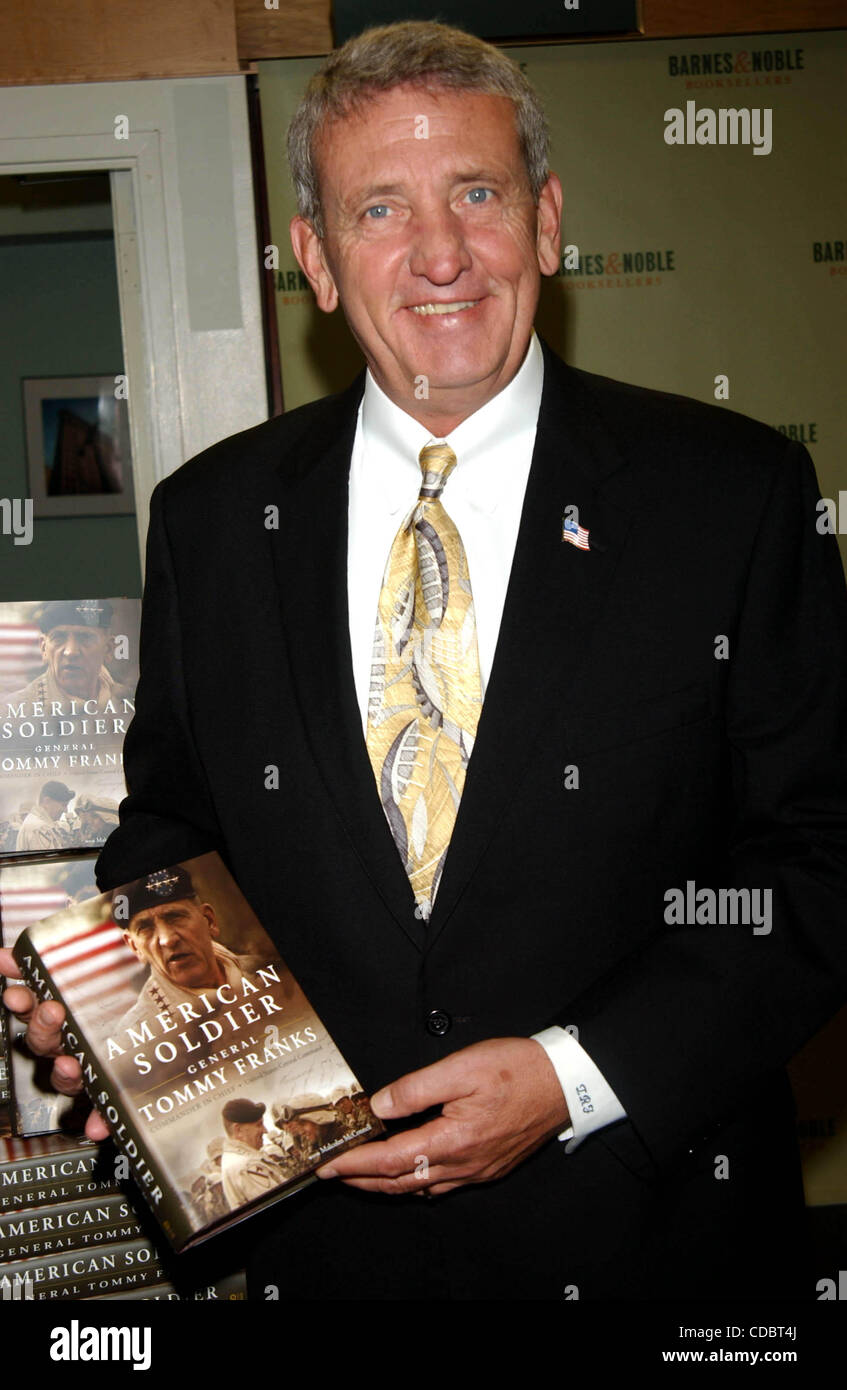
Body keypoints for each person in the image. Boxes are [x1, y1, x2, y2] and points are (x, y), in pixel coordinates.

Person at [3, 21, 846, 1300]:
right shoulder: (214, 520)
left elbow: (822, 857)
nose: (440, 254)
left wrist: (575, 1077)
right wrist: (123, 1013)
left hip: (654, 1244)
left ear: (547, 222)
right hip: (331, 1260)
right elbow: (176, 825)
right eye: (380, 208)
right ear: (317, 264)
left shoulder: (730, 497)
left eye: (477, 194)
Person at [109, 866, 281, 1039]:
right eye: (145, 928)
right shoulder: (133, 1038)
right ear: (135, 947)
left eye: (175, 917)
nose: (167, 940)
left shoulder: (271, 971)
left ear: (209, 920)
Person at [3, 599, 129, 713]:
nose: (71, 652)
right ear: (44, 648)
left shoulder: (130, 701)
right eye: (58, 638)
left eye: (85, 638)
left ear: (108, 649)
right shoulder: (11, 711)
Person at [219, 1098, 286, 1209]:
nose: (265, 1131)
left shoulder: (234, 1159)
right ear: (238, 1130)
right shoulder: (247, 1165)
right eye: (259, 1125)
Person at [14, 780, 75, 853]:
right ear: (47, 801)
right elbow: (50, 863)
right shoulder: (40, 828)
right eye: (63, 805)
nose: (66, 810)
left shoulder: (37, 823)